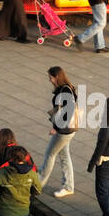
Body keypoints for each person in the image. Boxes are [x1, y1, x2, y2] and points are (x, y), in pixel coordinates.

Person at [42, 66, 78, 199]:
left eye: (50, 77)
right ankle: (68, 186)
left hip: (64, 131)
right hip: (68, 130)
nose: (49, 80)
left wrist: (56, 128)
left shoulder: (65, 91)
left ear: (57, 77)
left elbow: (68, 111)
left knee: (49, 155)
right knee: (64, 156)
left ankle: (39, 183)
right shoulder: (68, 87)